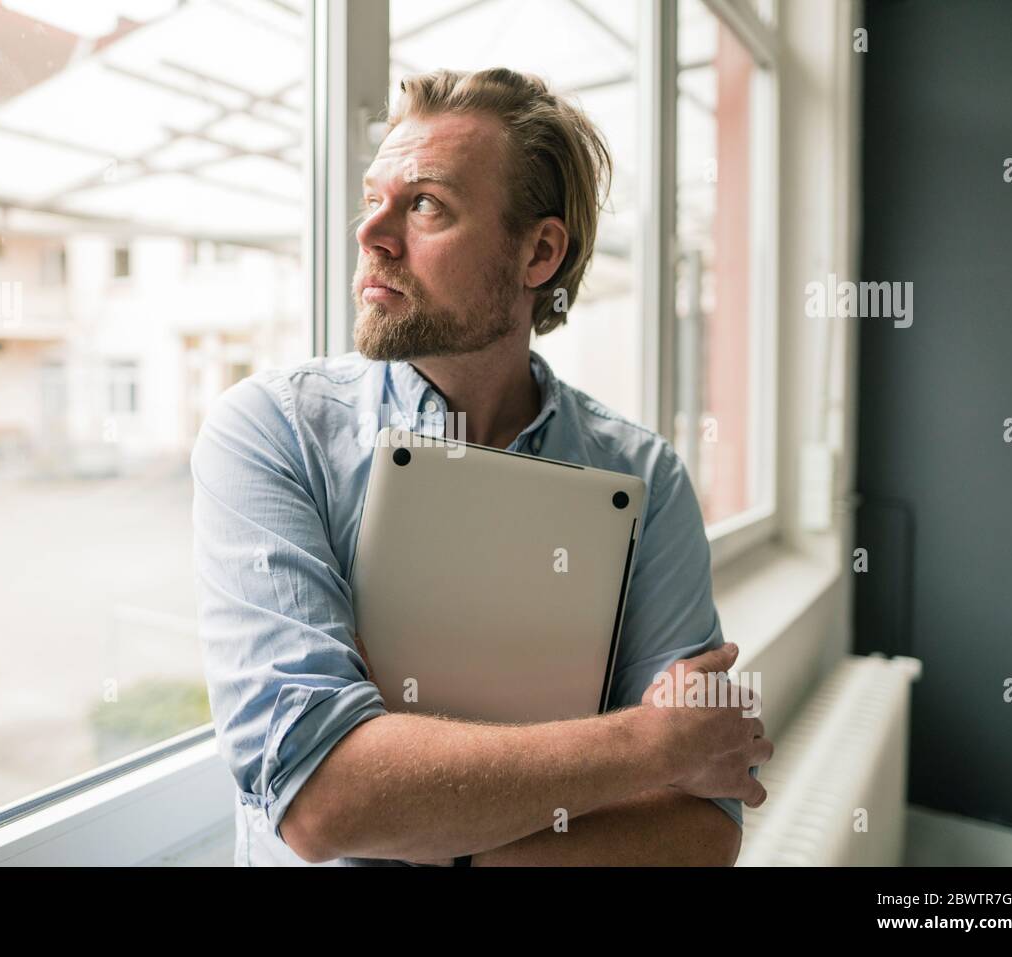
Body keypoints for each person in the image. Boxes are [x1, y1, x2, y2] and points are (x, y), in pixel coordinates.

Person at [191, 67, 772, 866]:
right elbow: (323, 800)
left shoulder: (646, 479)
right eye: (373, 198)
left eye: (425, 203)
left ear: (539, 252)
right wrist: (651, 743)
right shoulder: (270, 432)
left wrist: (426, 810)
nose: (372, 233)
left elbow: (701, 830)